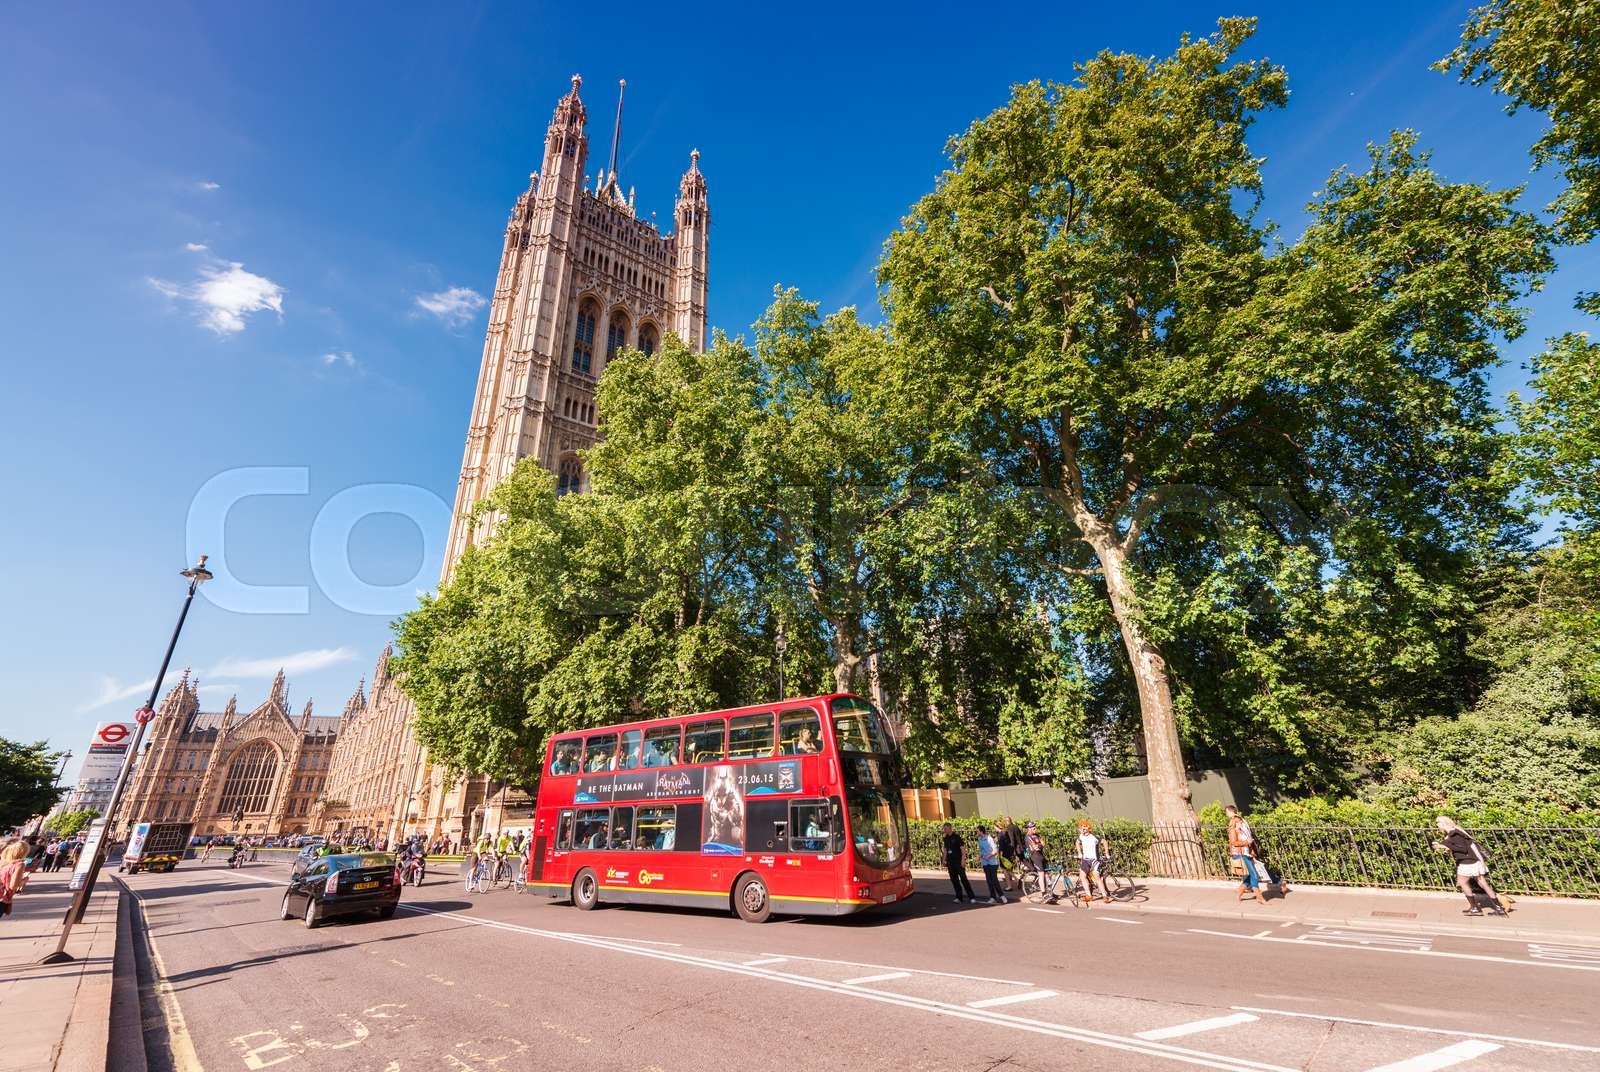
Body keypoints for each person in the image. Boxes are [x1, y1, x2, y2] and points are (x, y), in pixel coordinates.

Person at [1432, 817, 1507, 916]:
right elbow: (1463, 847)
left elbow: (1463, 849)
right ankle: (1499, 908)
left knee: (1463, 883)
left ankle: (1475, 908)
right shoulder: (1457, 832)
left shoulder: (1454, 834)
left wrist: (1444, 846)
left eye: (1438, 823)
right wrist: (1447, 847)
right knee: (1483, 884)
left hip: (1467, 862)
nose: (1437, 825)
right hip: (1473, 861)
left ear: (1444, 823)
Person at [1226, 805, 1269, 906]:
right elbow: (1234, 843)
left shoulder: (1241, 825)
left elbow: (1245, 838)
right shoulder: (1235, 827)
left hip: (1246, 852)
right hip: (1242, 853)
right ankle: (1259, 897)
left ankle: (1240, 891)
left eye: (1240, 821)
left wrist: (1250, 846)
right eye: (1238, 822)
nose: (1240, 823)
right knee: (1253, 874)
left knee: (1252, 874)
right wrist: (1246, 842)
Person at [940, 823, 977, 904]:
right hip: (950, 862)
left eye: (946, 828)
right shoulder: (945, 838)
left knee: (963, 879)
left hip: (958, 862)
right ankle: (959, 897)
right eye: (944, 829)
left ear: (950, 828)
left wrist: (963, 860)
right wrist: (943, 860)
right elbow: (945, 850)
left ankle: (972, 897)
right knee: (954, 880)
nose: (944, 830)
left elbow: (963, 849)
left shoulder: (957, 837)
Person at [1074, 819, 1108, 904]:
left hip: (1094, 860)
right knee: (1082, 876)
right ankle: (1088, 895)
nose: (1083, 829)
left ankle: (1105, 895)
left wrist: (1106, 852)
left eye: (1085, 827)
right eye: (1081, 827)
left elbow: (1104, 842)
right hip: (1085, 860)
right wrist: (1079, 853)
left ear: (1089, 828)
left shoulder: (1094, 836)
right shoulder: (1081, 836)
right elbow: (1077, 842)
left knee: (1097, 877)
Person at [976, 824, 1007, 904]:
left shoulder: (989, 838)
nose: (977, 832)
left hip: (992, 862)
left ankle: (1002, 896)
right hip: (985, 863)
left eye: (977, 831)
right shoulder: (979, 839)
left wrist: (989, 856)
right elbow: (980, 850)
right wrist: (978, 857)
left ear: (981, 831)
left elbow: (995, 850)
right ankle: (992, 897)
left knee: (994, 880)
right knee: (989, 881)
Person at [1, 839, 29, 919]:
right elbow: (13, 886)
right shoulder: (19, 865)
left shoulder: (3, 863)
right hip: (3, 898)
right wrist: (24, 880)